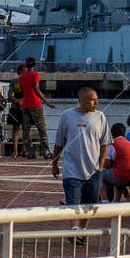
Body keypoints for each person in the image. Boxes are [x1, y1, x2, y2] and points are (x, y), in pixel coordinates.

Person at [50, 87, 107, 237]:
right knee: (72, 201)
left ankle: (82, 230)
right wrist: (54, 164)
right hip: (71, 168)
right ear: (81, 100)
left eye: (96, 99)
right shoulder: (67, 115)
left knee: (90, 203)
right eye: (92, 100)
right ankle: (75, 229)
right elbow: (59, 142)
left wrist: (101, 165)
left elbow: (105, 143)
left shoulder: (100, 116)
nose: (96, 103)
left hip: (94, 169)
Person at [101, 122, 130, 201]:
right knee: (118, 175)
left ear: (112, 134)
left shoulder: (113, 144)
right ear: (124, 133)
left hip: (123, 175)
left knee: (99, 175)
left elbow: (108, 164)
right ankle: (126, 199)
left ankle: (105, 201)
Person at [17, 58, 49, 158]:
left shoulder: (22, 76)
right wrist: (46, 101)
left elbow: (22, 89)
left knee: (26, 129)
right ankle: (46, 151)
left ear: (26, 65)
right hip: (35, 104)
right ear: (35, 65)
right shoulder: (35, 75)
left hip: (26, 104)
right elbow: (36, 89)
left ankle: (29, 152)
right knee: (41, 128)